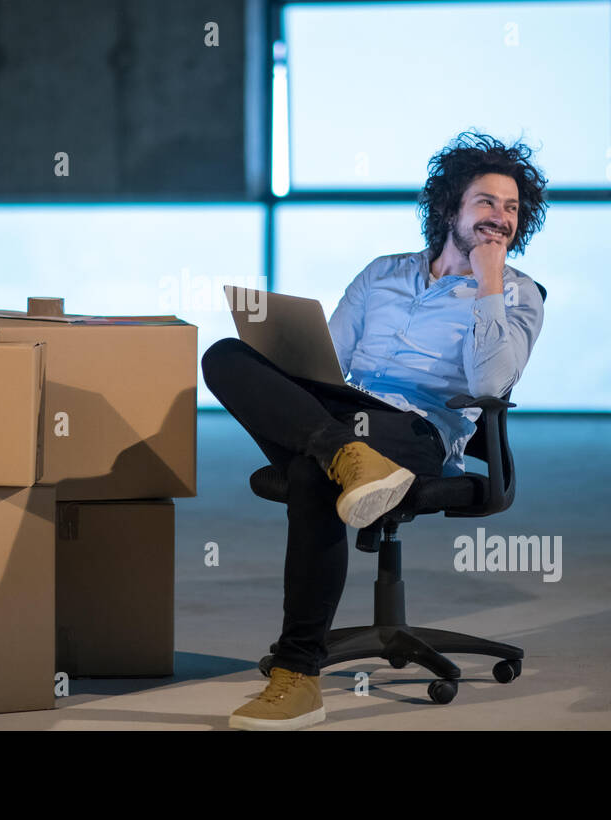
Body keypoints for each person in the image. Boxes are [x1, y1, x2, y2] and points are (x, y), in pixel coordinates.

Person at [201, 130, 549, 730]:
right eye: (487, 202)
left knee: (312, 474)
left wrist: (488, 281)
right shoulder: (382, 273)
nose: (501, 217)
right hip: (343, 412)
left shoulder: (518, 294)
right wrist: (289, 365)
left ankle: (299, 675)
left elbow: (492, 385)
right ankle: (345, 455)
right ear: (450, 210)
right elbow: (325, 365)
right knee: (225, 355)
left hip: (417, 432)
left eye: (512, 207)